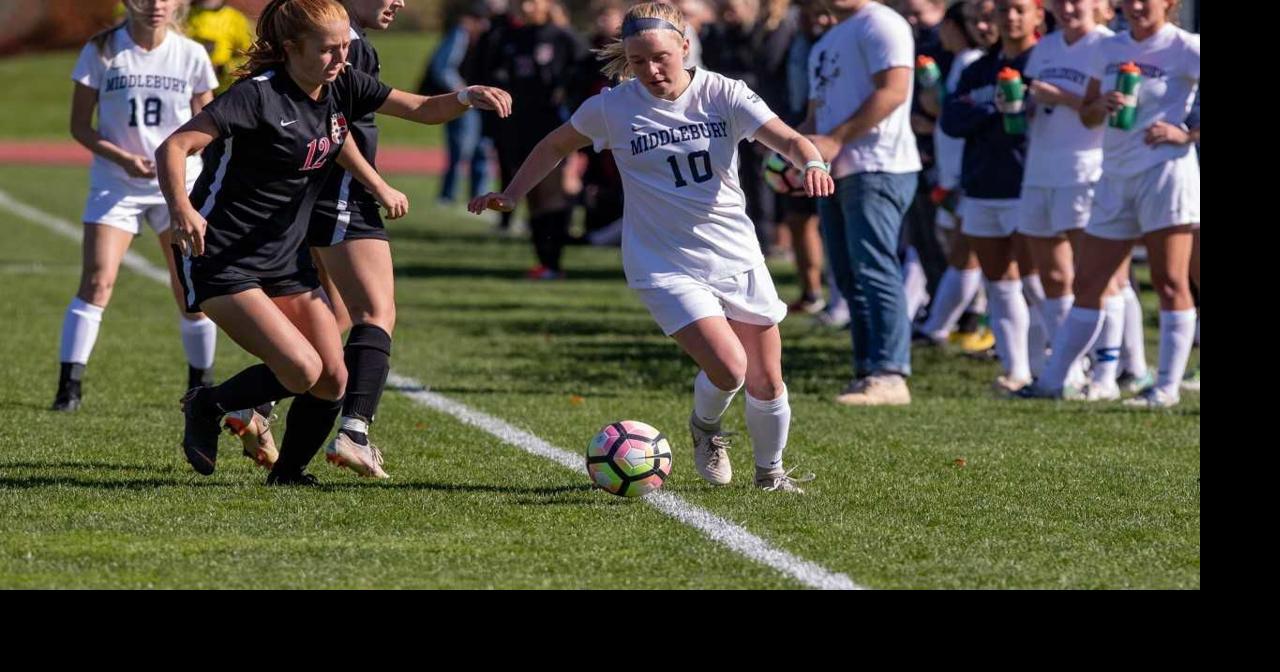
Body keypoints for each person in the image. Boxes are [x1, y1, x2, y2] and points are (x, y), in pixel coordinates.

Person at [469, 2, 835, 493]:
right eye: (638, 61)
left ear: (686, 45)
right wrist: (512, 193)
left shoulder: (724, 93)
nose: (651, 70)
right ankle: (706, 430)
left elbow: (787, 138)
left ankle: (770, 474)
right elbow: (554, 145)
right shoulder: (611, 107)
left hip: (736, 253)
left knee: (767, 381)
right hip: (662, 262)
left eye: (661, 57)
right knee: (729, 367)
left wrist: (812, 163)